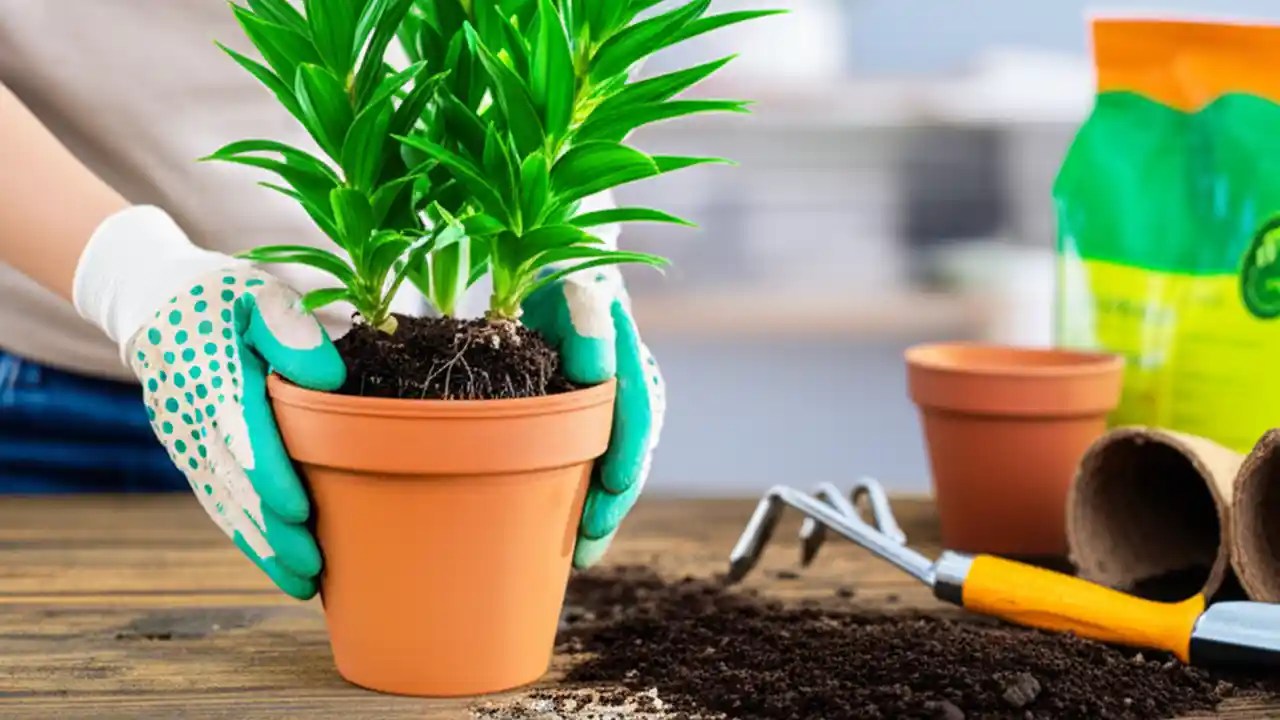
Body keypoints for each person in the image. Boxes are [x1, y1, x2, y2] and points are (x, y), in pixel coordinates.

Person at [0, 2, 663, 599]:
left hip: (369, 395)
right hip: (44, 381)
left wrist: (571, 240)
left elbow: (558, 41)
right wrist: (127, 272)